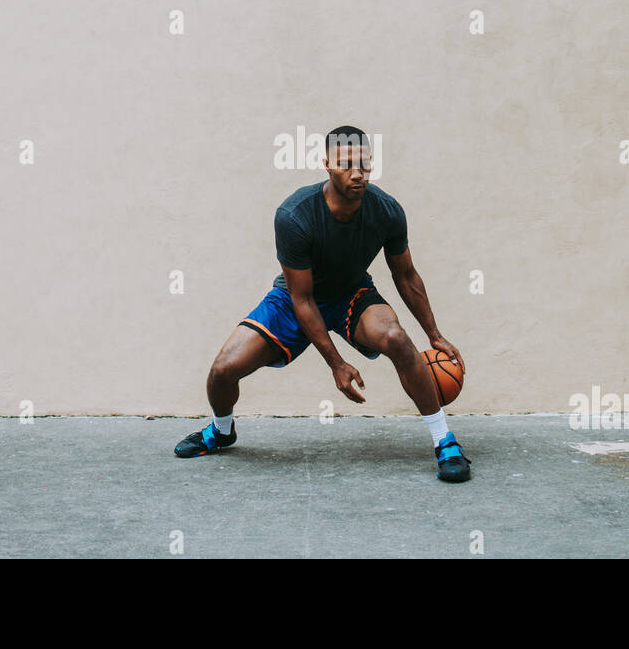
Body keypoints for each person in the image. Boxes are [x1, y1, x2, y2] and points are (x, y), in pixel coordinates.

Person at [173, 125, 471, 482]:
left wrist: (434, 334)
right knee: (223, 370)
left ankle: (445, 441)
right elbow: (303, 298)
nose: (357, 173)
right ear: (327, 163)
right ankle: (221, 431)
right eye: (347, 164)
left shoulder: (386, 211)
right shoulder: (295, 215)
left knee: (396, 338)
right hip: (294, 298)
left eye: (364, 163)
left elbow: (405, 275)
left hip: (351, 293)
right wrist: (336, 363)